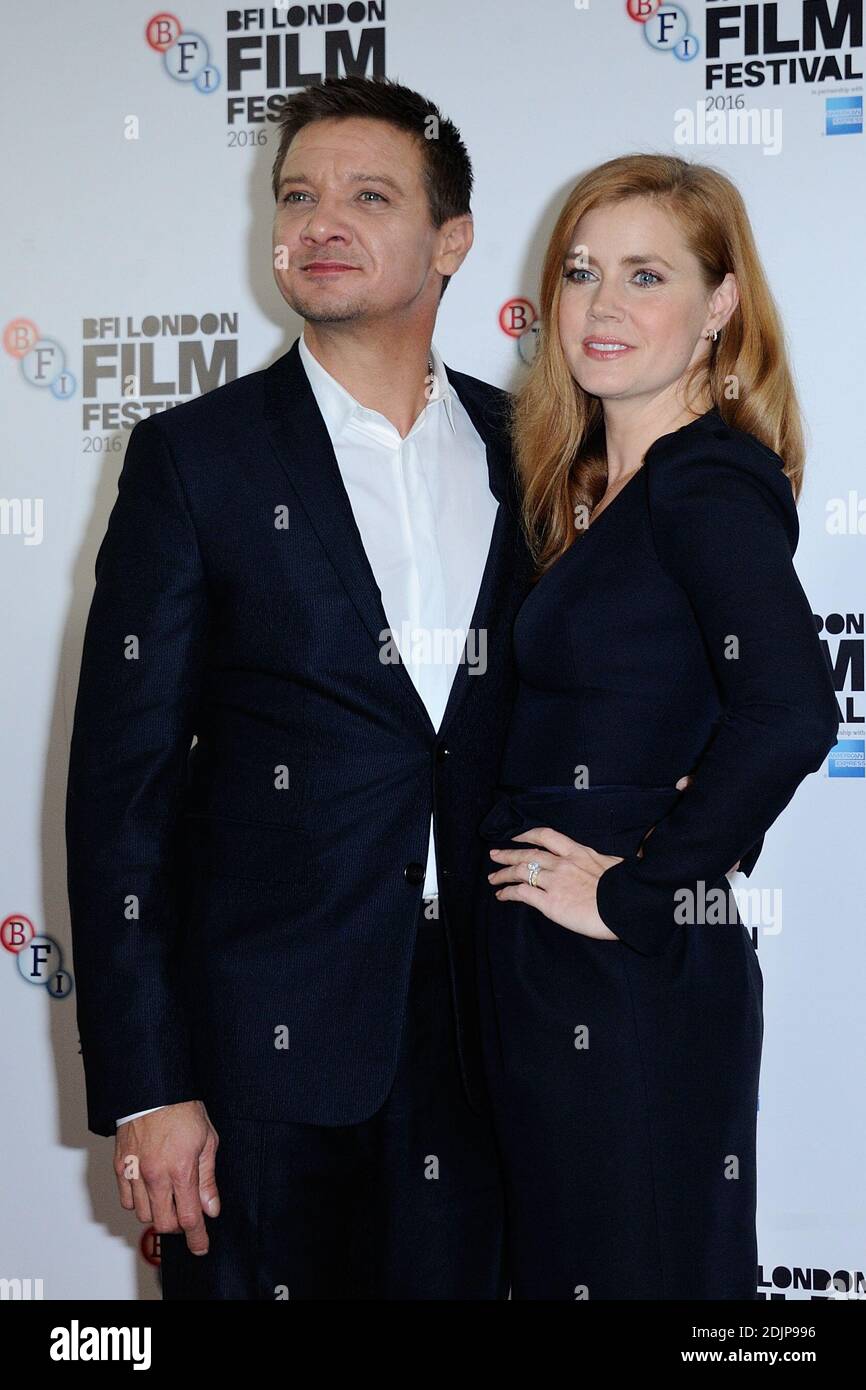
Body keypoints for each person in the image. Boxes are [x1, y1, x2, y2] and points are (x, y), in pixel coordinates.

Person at [65, 75, 535, 1300]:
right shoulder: (194, 459)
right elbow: (123, 793)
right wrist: (151, 1083)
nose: (317, 223)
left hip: (492, 1044)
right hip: (258, 1060)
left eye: (366, 197)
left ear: (449, 241)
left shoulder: (530, 449)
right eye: (296, 195)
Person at [479, 154, 840, 1301]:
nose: (601, 306)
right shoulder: (585, 487)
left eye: (646, 275)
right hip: (549, 968)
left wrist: (642, 890)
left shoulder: (705, 484)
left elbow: (788, 708)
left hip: (623, 974)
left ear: (718, 304)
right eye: (581, 273)